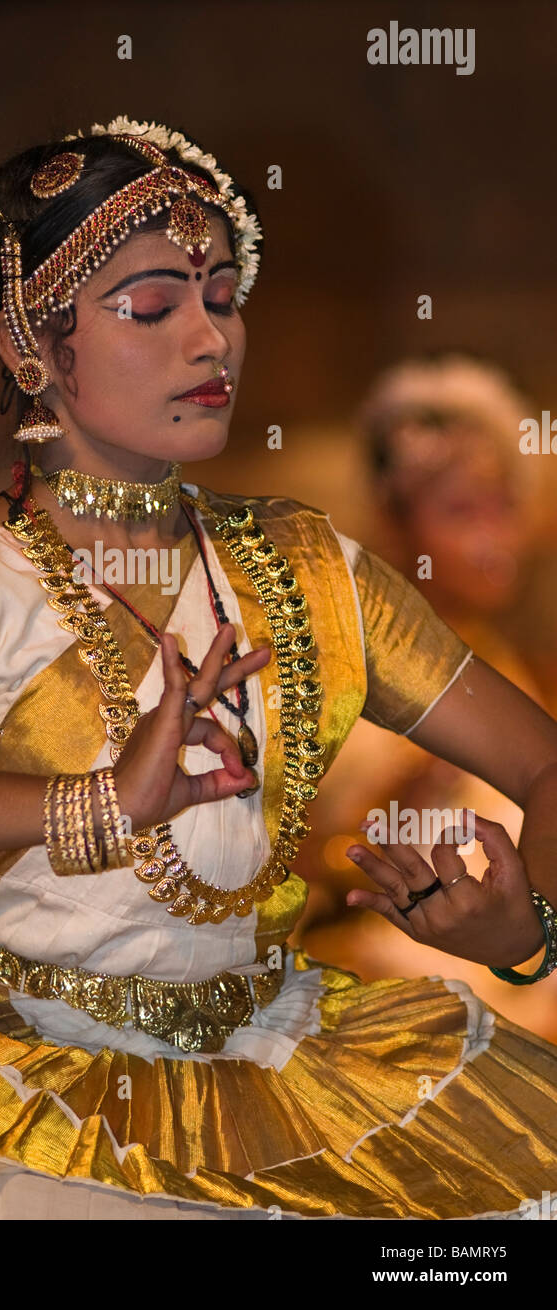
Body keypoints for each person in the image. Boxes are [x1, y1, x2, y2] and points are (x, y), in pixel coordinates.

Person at [0, 116, 557, 1222]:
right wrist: (97, 802)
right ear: (32, 343)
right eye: (150, 305)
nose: (208, 340)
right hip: (12, 1085)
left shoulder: (315, 571)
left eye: (220, 298)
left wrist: (525, 923)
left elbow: (541, 764)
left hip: (282, 1063)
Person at [292, 354, 557, 1039]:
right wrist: (367, 842)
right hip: (392, 995)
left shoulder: (518, 671)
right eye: (460, 513)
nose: (489, 541)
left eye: (502, 509)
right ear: (396, 523)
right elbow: (273, 863)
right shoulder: (345, 671)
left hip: (520, 990)